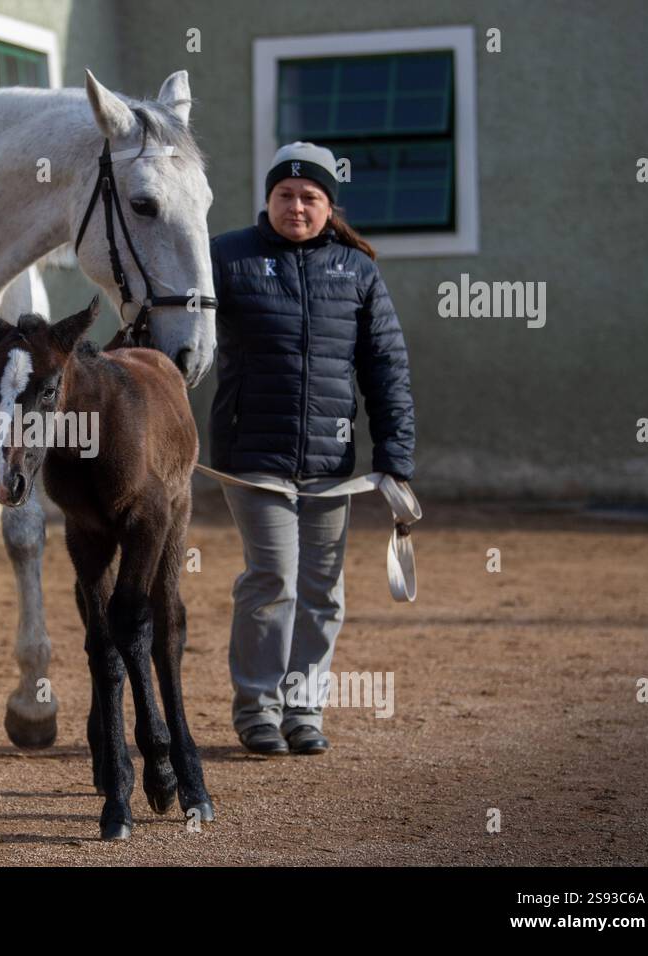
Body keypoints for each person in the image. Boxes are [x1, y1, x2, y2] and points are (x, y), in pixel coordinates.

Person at [208, 141, 416, 756]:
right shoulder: (226, 257)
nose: (296, 206)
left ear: (329, 205)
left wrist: (396, 459)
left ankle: (303, 710)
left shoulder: (357, 271)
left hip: (331, 460)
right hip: (252, 453)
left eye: (309, 197)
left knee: (323, 586)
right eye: (284, 195)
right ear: (268, 199)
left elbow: (386, 367)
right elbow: (174, 324)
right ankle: (257, 712)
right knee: (273, 577)